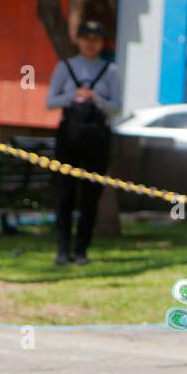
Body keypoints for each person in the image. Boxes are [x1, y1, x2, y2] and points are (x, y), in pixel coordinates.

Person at [46, 20, 120, 266]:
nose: (90, 44)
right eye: (86, 38)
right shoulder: (64, 67)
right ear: (78, 41)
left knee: (90, 197)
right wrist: (73, 96)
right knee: (64, 195)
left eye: (95, 39)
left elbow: (117, 108)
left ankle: (81, 251)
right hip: (69, 138)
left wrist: (96, 98)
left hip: (97, 140)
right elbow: (50, 102)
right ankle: (62, 248)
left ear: (101, 43)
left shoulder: (110, 71)